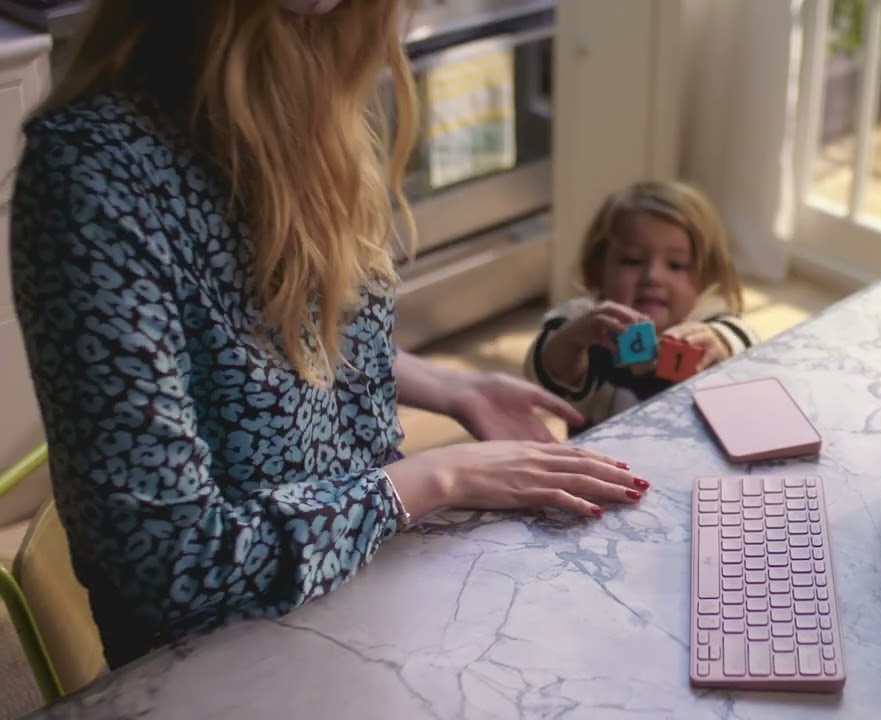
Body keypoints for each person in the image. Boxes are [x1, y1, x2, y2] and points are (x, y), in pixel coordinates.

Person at [8, 0, 648, 671]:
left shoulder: (297, 101)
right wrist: (438, 476)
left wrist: (449, 384)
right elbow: (178, 569)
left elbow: (271, 340)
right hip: (230, 665)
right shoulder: (93, 175)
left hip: (367, 585)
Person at [524, 180, 758, 435]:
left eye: (676, 265)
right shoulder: (585, 324)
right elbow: (545, 370)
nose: (653, 276)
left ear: (706, 278)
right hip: (603, 467)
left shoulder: (708, 319)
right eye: (632, 261)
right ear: (598, 269)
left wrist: (721, 341)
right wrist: (572, 339)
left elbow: (754, 351)